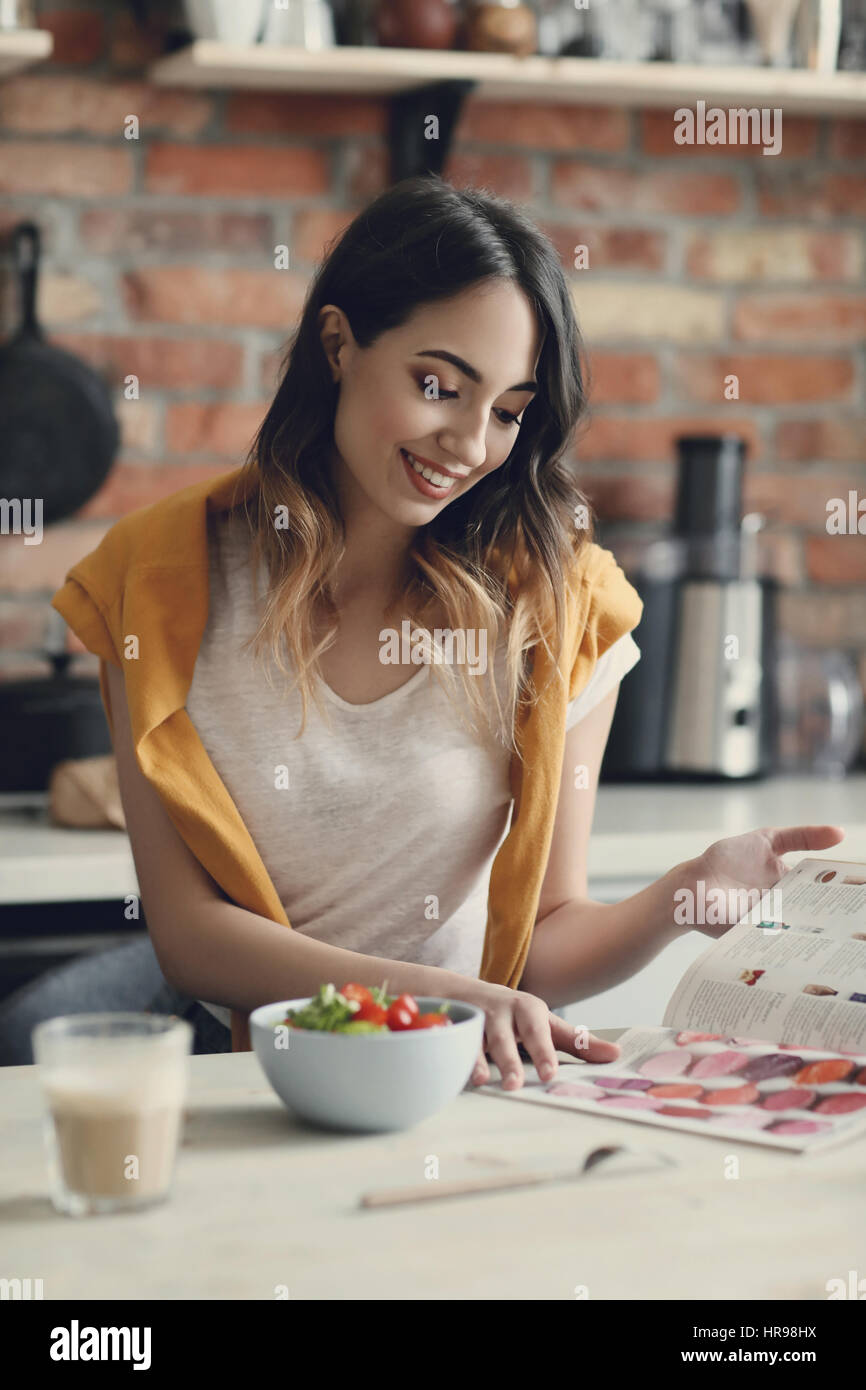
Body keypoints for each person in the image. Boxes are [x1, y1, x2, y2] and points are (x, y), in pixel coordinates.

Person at [52, 176, 844, 1090]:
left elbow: (541, 942)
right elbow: (190, 941)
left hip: (457, 1090)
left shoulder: (563, 605)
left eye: (508, 411)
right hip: (250, 1087)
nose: (470, 444)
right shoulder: (152, 582)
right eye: (439, 386)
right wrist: (437, 1000)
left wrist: (683, 895)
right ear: (340, 344)